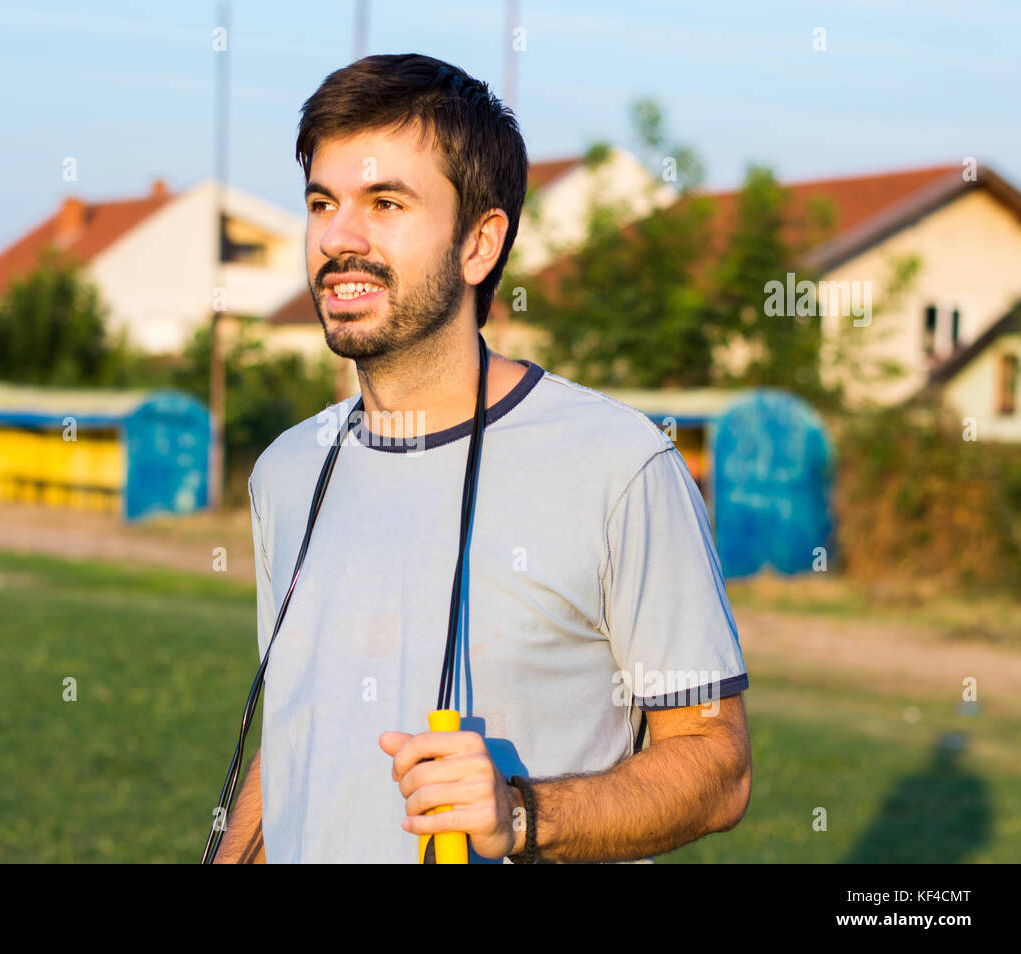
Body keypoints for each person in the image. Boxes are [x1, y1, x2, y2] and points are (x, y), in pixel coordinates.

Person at [215, 53, 750, 864]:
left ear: (478, 243)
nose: (338, 237)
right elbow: (297, 736)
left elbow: (718, 768)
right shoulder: (288, 472)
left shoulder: (620, 465)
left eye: (385, 202)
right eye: (322, 203)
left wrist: (523, 812)